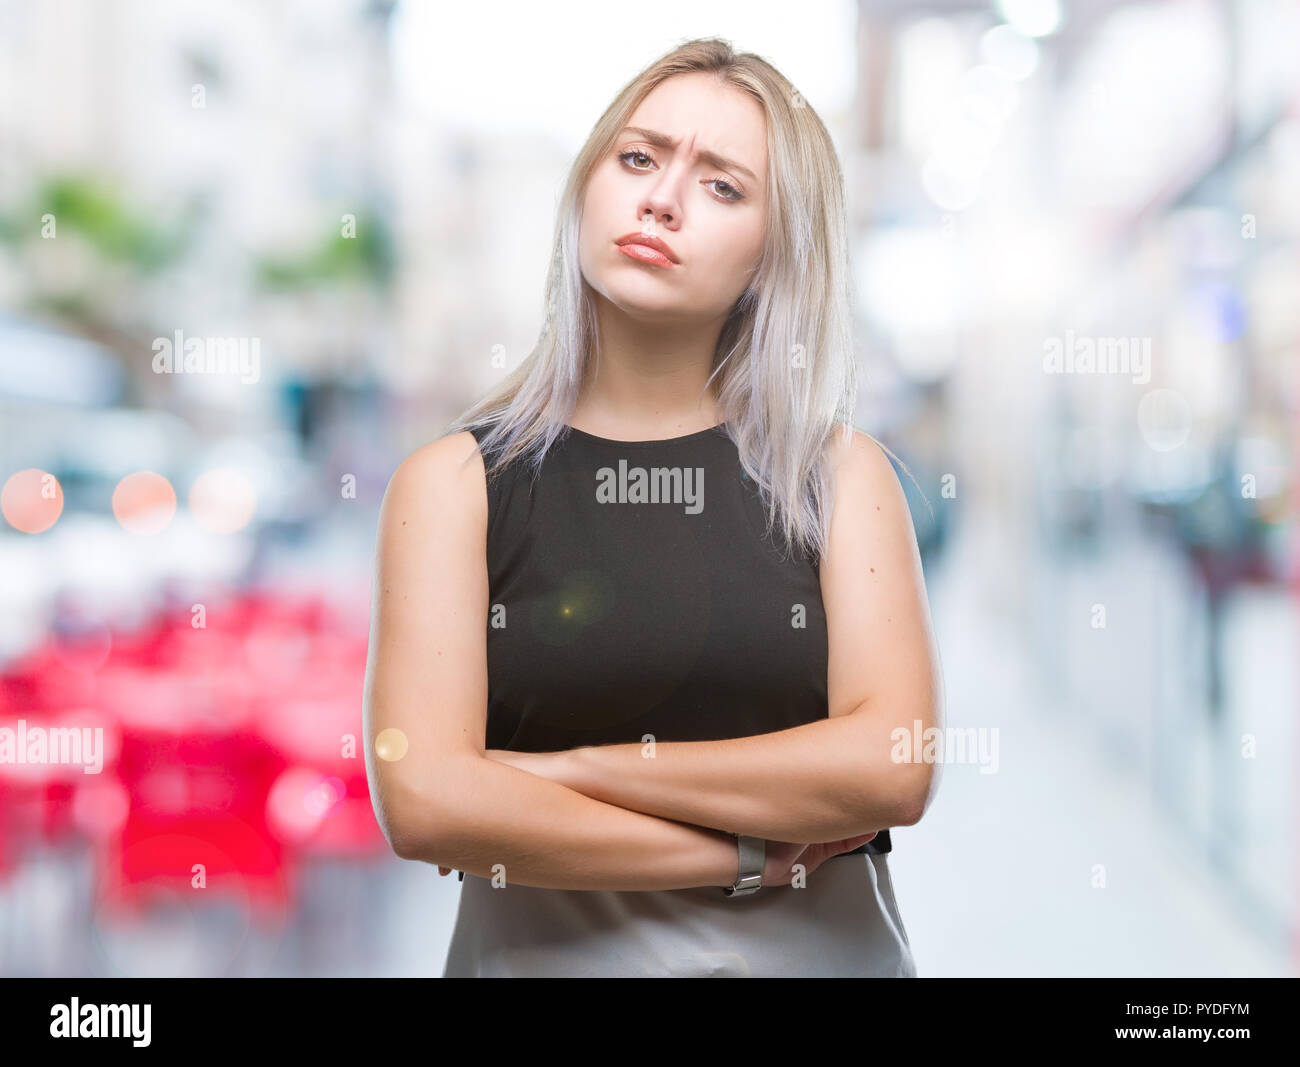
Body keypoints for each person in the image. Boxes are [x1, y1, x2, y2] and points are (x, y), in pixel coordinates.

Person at [363, 37, 943, 977]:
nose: (663, 199)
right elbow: (427, 800)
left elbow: (892, 766)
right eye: (638, 157)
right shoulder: (452, 485)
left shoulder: (839, 477)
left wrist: (566, 770)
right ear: (585, 188)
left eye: (723, 186)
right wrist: (745, 856)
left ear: (773, 254)